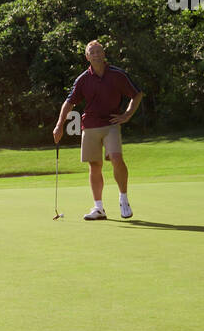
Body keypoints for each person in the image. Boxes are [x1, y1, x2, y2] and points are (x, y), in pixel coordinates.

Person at [52, 41, 144, 220]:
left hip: (111, 124)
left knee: (116, 158)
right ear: (87, 57)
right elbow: (69, 102)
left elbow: (137, 94)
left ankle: (123, 199)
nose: (95, 54)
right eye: (91, 52)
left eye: (98, 51)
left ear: (103, 54)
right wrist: (59, 124)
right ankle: (99, 208)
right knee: (94, 166)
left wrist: (127, 115)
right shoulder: (83, 79)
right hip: (90, 126)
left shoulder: (117, 75)